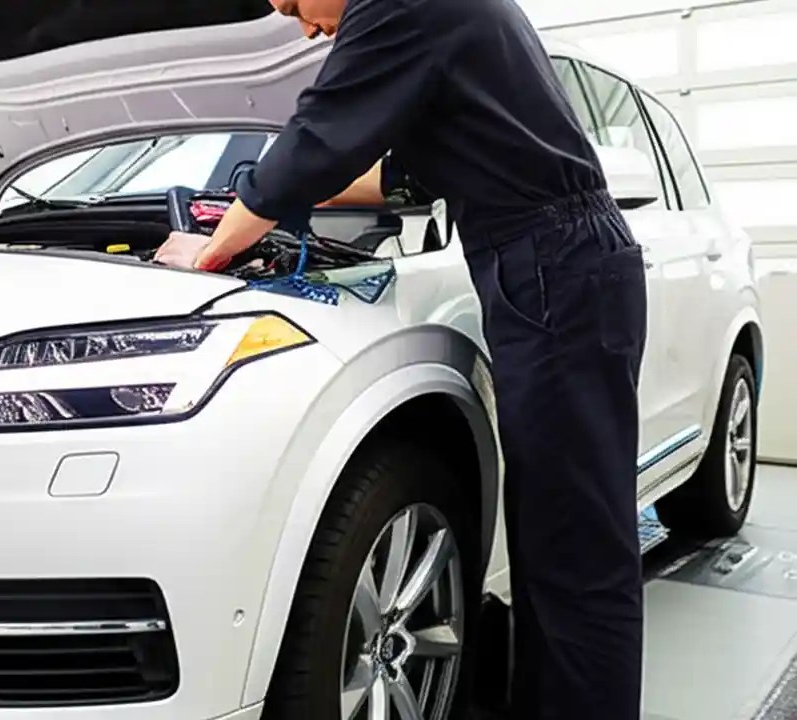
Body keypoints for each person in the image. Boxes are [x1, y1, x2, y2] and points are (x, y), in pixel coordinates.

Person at [156, 1, 647, 719]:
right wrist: (239, 203)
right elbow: (389, 175)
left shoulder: (400, 3)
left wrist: (215, 248)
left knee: (575, 554)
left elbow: (316, 135)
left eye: (293, 2)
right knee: (555, 544)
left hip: (553, 265)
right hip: (552, 266)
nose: (300, 26)